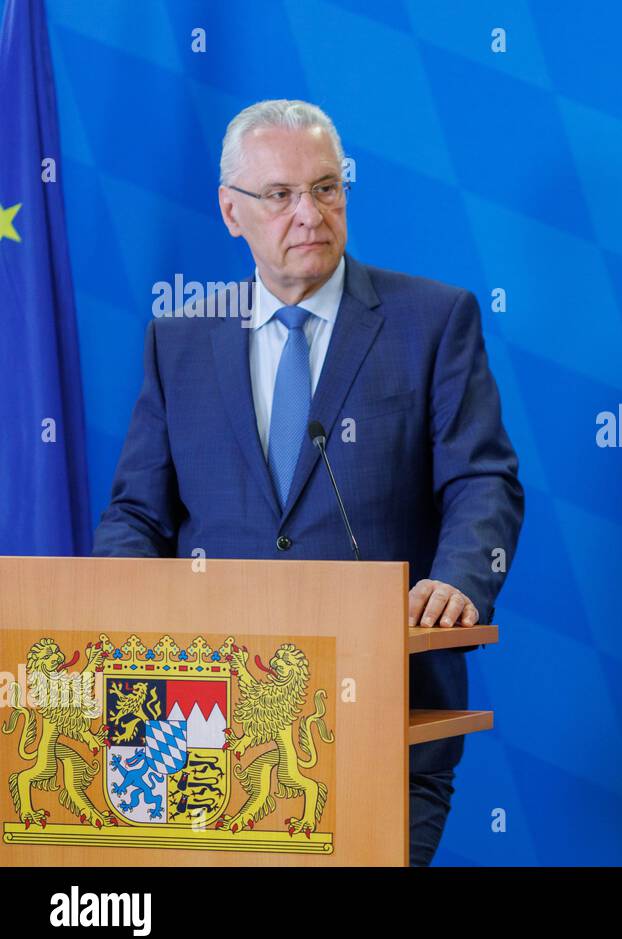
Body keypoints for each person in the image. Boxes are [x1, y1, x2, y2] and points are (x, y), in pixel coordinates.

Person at [92, 99, 524, 863]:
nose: (310, 214)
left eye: (327, 188)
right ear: (232, 211)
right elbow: (137, 512)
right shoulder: (180, 340)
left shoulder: (431, 320)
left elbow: (482, 480)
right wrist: (124, 599)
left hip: (382, 710)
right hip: (203, 717)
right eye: (281, 194)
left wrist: (460, 580)